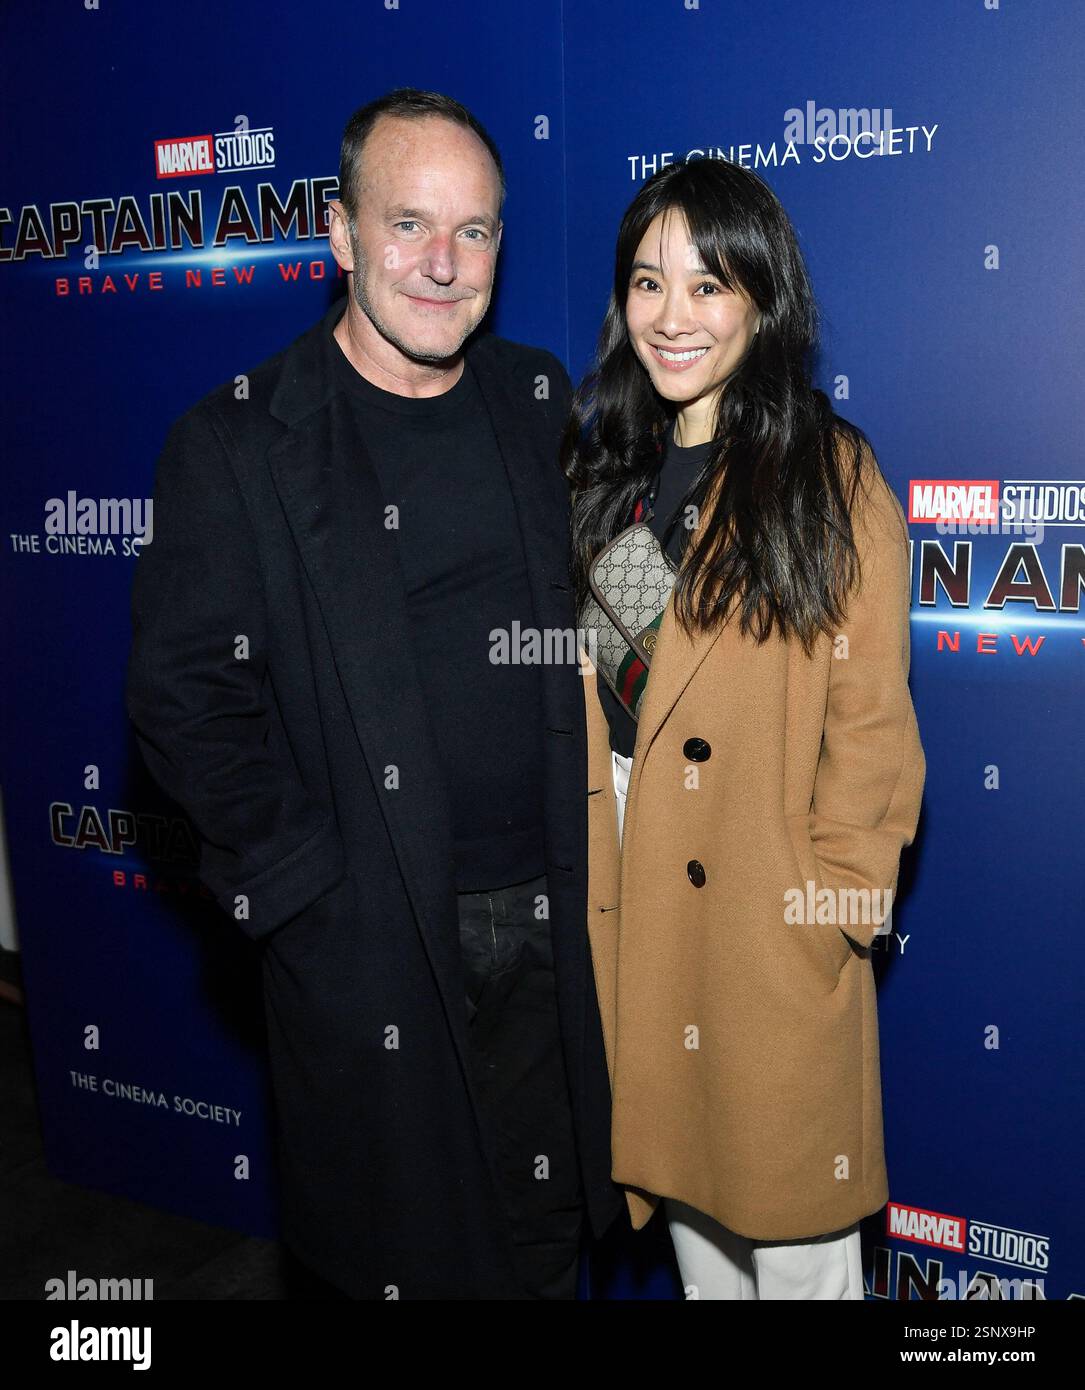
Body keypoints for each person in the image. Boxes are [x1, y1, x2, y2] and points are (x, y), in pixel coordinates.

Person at [125, 88, 622, 1300]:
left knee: (548, 1232)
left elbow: (629, 597)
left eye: (476, 232)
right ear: (339, 236)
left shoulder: (539, 397)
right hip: (377, 941)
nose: (443, 266)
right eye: (408, 225)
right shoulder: (238, 442)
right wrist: (311, 898)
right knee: (394, 1256)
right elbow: (184, 698)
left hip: (562, 918)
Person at [563, 156, 926, 1300]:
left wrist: (827, 918)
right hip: (634, 908)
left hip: (764, 922)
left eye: (707, 285)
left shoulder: (827, 473)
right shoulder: (601, 466)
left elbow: (871, 734)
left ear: (762, 299)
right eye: (646, 282)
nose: (671, 317)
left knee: (797, 1254)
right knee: (696, 1242)